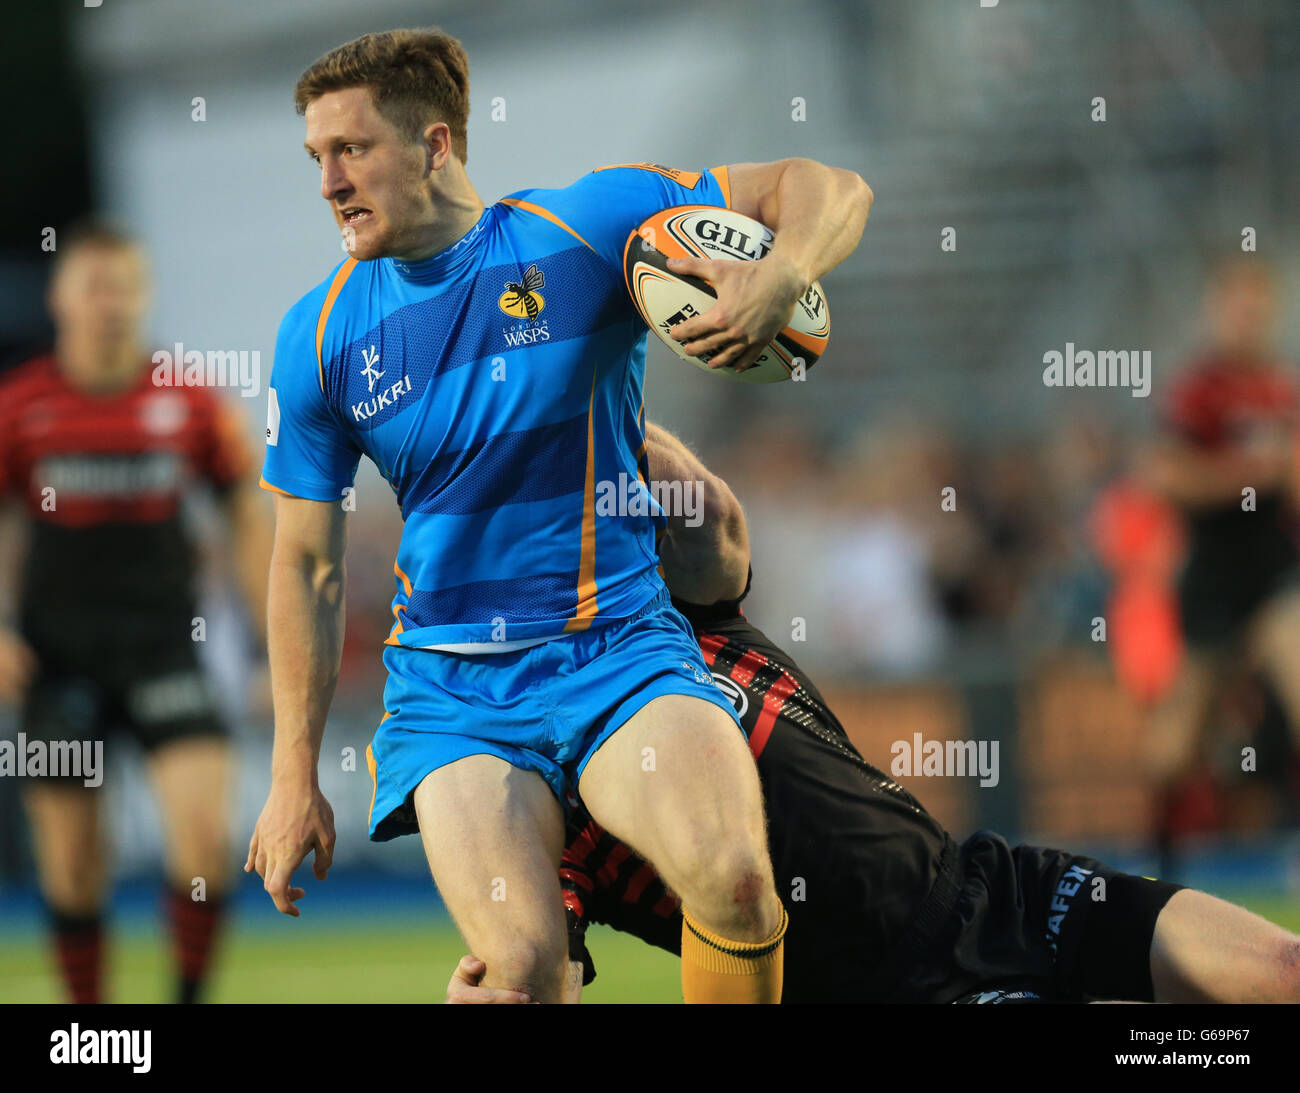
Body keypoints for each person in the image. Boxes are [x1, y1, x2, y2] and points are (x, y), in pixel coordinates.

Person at [244, 26, 873, 1004]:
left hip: (619, 648)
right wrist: (293, 779)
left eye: (351, 149)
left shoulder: (585, 227)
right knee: (524, 973)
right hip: (455, 693)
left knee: (741, 884)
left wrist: (783, 269)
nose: (327, 180)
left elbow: (826, 184)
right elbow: (305, 570)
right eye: (315, 157)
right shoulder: (320, 334)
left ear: (436, 144)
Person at [446, 423, 1300, 1003]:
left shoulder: (678, 624)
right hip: (886, 988)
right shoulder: (550, 796)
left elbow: (710, 515)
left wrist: (579, 398)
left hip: (991, 885)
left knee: (1279, 970)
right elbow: (535, 954)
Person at [0, 223, 272, 1003]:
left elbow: (244, 523)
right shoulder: (20, 408)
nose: (109, 303)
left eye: (124, 286)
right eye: (93, 285)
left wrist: (270, 648)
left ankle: (184, 1000)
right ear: (60, 299)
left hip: (166, 649)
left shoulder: (190, 402)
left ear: (144, 296)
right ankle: (93, 1033)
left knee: (203, 848)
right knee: (75, 866)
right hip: (58, 660)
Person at [1143, 256, 1300, 866]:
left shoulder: (1283, 388)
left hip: (1274, 567)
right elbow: (1167, 477)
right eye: (1239, 305)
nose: (1249, 318)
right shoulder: (1196, 390)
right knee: (1178, 744)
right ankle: (1160, 862)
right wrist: (1248, 474)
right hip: (1214, 572)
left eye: (1259, 307)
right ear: (1217, 309)